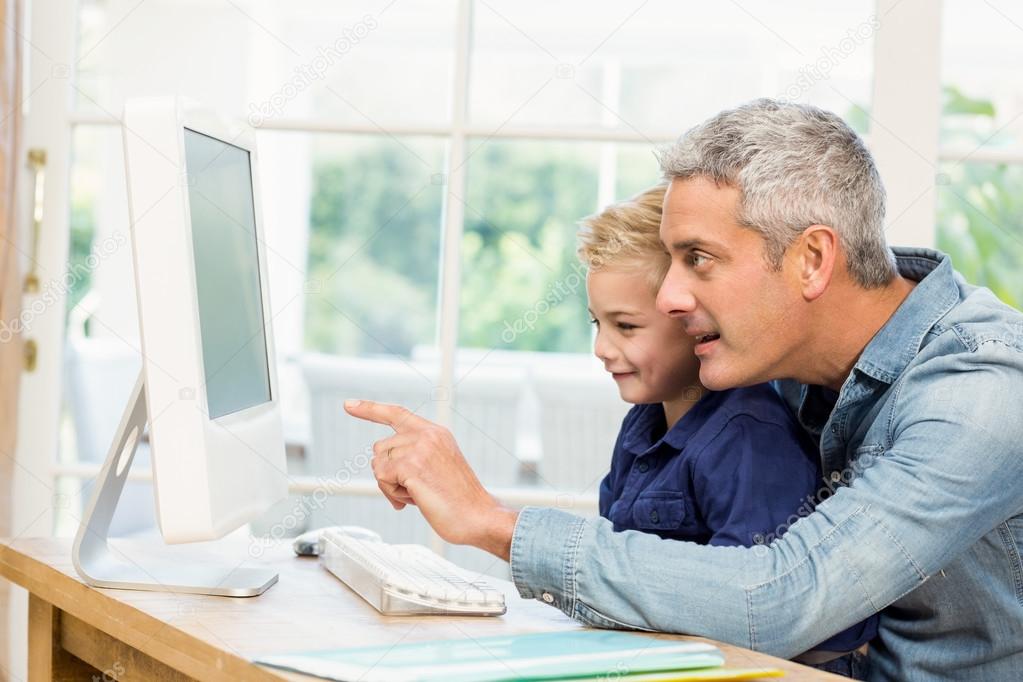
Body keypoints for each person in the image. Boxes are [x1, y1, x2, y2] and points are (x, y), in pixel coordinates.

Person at [345, 99, 1023, 681]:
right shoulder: (778, 357)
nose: (669, 296)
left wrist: (493, 525)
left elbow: (783, 595)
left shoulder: (983, 390)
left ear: (810, 260)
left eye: (697, 258)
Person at [580, 184, 876, 676]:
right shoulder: (644, 422)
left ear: (693, 321)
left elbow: (751, 608)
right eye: (597, 323)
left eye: (625, 327)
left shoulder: (746, 436)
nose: (601, 348)